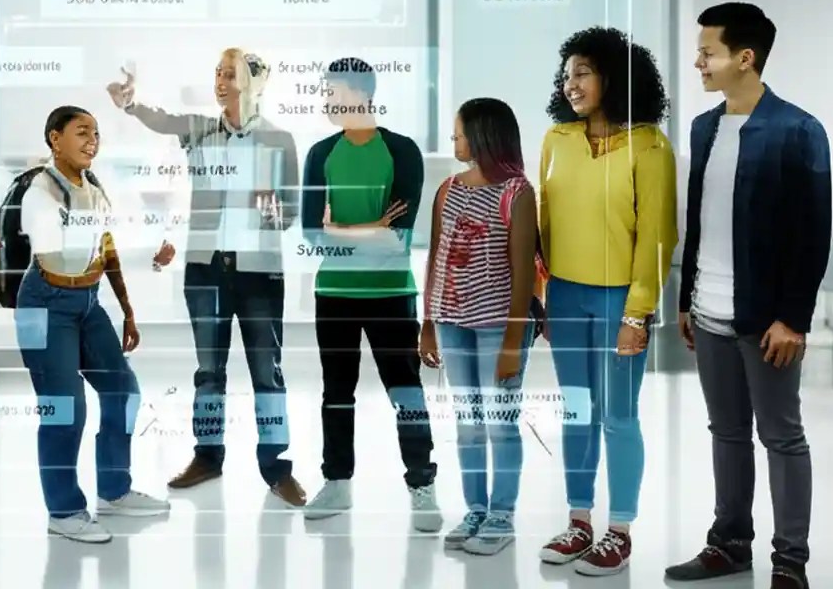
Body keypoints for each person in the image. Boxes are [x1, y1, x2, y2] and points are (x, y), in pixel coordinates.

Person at [665, 3, 830, 589]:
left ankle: (790, 562)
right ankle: (730, 543)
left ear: (745, 57)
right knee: (726, 432)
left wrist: (794, 318)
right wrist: (685, 300)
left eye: (707, 51)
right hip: (708, 311)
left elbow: (812, 233)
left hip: (766, 321)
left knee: (781, 435)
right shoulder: (703, 127)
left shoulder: (798, 130)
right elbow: (699, 221)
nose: (698, 61)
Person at [106, 50, 306, 506]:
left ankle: (276, 468)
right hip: (205, 271)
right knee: (208, 374)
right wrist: (131, 104)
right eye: (216, 71)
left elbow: (292, 210)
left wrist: (275, 211)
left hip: (259, 272)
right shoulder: (200, 130)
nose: (220, 80)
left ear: (252, 82)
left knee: (267, 374)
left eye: (229, 73)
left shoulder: (280, 140)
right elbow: (163, 120)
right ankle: (207, 457)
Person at [536, 26, 678, 577]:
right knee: (577, 412)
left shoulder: (649, 144)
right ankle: (579, 521)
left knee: (618, 415)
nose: (572, 84)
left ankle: (619, 532)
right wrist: (544, 296)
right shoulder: (555, 139)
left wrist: (637, 314)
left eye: (584, 73)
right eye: (567, 75)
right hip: (566, 296)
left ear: (613, 78)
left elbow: (656, 236)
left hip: (622, 299)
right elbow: (544, 223)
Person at [15, 105, 173, 543]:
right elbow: (59, 257)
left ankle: (114, 491)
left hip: (87, 302)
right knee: (65, 409)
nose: (92, 140)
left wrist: (127, 307)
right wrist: (143, 249)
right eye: (82, 131)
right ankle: (63, 511)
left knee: (124, 392)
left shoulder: (93, 188)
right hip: (44, 303)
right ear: (54, 139)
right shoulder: (39, 192)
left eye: (97, 133)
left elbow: (103, 249)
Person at [297, 57, 439, 530]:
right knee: (336, 391)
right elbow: (312, 234)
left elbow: (396, 239)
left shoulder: (402, 151)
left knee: (406, 391)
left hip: (391, 292)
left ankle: (422, 484)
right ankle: (337, 482)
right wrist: (367, 229)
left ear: (358, 93)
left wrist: (341, 228)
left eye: (330, 90)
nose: (324, 99)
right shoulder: (320, 153)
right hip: (334, 291)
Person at [419, 97, 539, 556]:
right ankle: (475, 509)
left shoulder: (517, 192)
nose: (454, 140)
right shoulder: (447, 189)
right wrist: (428, 322)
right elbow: (437, 256)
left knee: (500, 424)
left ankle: (502, 516)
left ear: (486, 135)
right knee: (468, 424)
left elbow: (523, 272)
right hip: (452, 323)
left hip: (497, 327)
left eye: (460, 133)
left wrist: (512, 341)